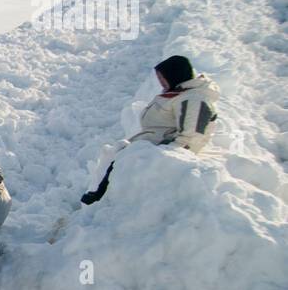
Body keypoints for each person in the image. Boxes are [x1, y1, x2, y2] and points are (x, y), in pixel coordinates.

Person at [82, 55, 220, 205]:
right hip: (152, 143)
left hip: (161, 150)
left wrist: (165, 157)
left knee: (122, 163)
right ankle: (101, 196)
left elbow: (192, 138)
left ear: (176, 75)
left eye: (163, 78)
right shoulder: (180, 91)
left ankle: (102, 199)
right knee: (118, 161)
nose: (160, 82)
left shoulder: (194, 99)